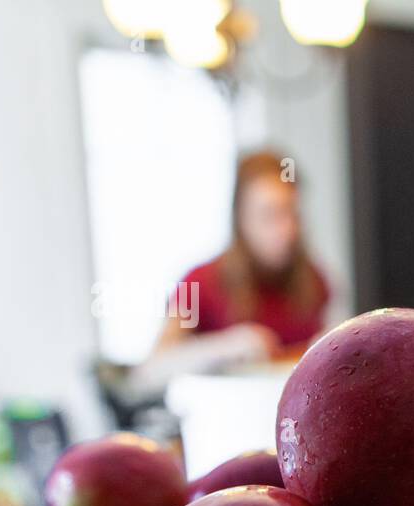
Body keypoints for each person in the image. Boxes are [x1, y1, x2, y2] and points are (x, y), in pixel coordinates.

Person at [132, 150, 330, 393]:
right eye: (269, 215)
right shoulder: (198, 284)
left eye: (292, 214)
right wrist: (224, 348)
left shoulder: (315, 280)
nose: (285, 230)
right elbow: (150, 372)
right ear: (241, 218)